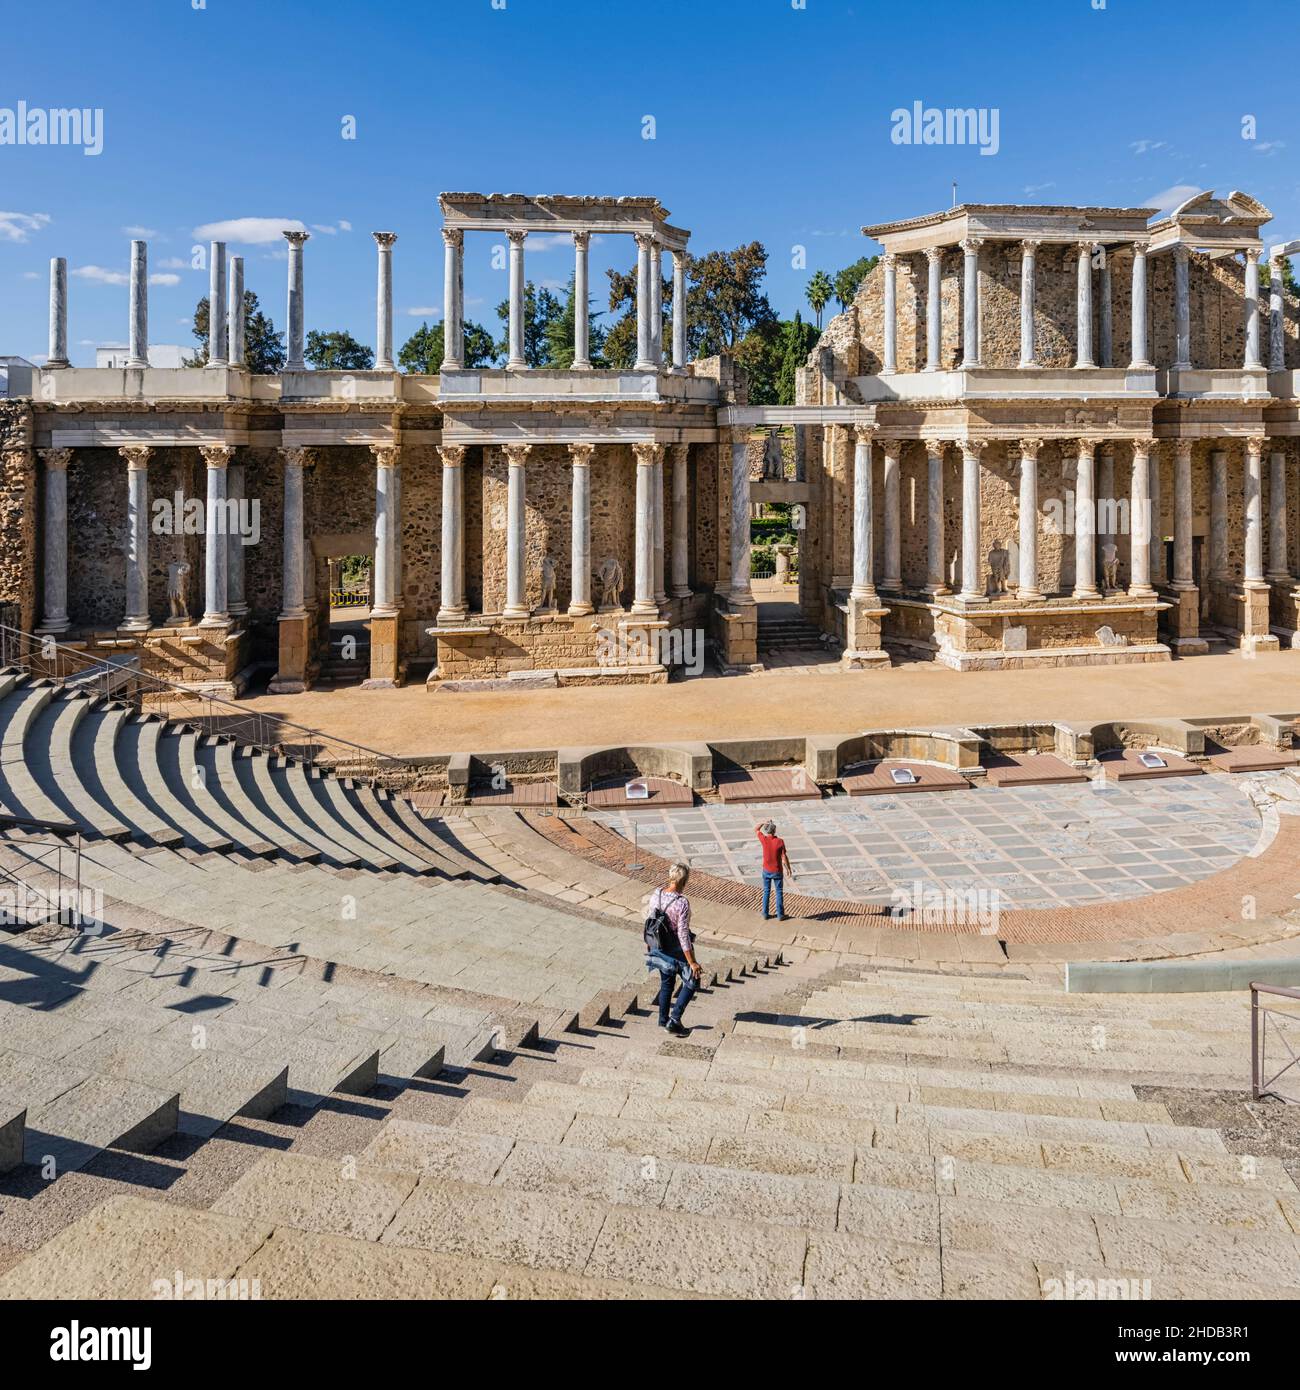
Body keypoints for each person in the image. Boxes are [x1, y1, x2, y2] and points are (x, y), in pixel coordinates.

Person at [643, 862, 700, 1037]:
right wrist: (692, 962)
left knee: (667, 982)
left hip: (658, 946)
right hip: (674, 948)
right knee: (693, 980)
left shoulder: (657, 894)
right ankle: (674, 1020)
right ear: (684, 880)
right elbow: (683, 934)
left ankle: (662, 1019)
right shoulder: (682, 903)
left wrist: (650, 944)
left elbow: (650, 919)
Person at [755, 819, 794, 921]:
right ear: (774, 830)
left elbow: (756, 829)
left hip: (766, 870)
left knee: (766, 891)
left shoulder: (763, 839)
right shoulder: (780, 841)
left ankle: (765, 913)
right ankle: (780, 915)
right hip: (777, 871)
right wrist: (788, 868)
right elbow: (784, 857)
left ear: (766, 830)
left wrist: (764, 822)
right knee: (779, 892)